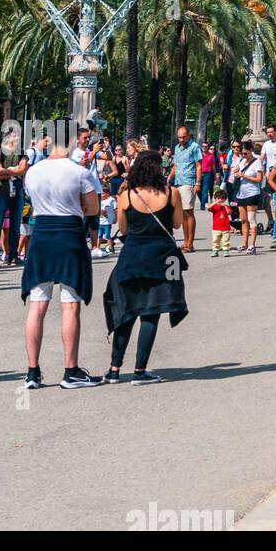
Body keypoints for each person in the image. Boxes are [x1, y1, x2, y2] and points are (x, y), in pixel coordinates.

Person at [103, 149, 188, 384]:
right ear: (159, 169)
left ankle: (114, 369)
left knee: (126, 312)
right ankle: (140, 371)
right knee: (151, 313)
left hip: (132, 257)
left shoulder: (127, 196)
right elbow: (178, 224)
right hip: (162, 258)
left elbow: (124, 227)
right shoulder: (171, 193)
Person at [21, 143, 101, 389]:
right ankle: (70, 370)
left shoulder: (33, 171)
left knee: (37, 305)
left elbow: (31, 201)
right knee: (69, 306)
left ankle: (32, 372)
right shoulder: (79, 172)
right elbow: (93, 208)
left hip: (42, 234)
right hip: (69, 235)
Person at [0, 129, 28, 267]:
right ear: (8, 137)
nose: (18, 137)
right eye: (15, 135)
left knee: (15, 225)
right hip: (1, 191)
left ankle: (13, 255)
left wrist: (8, 171)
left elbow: (23, 170)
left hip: (17, 192)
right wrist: (14, 170)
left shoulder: (22, 152)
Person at [171, 125, 202, 253]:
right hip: (178, 182)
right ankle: (185, 242)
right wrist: (169, 177)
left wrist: (198, 183)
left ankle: (190, 243)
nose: (181, 139)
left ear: (189, 135)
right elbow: (175, 165)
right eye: (179, 137)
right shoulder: (177, 148)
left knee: (189, 212)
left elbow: (198, 166)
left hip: (189, 182)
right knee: (183, 213)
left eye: (184, 137)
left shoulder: (194, 147)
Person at [232, 140, 265, 253]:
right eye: (242, 153)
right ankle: (244, 244)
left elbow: (259, 179)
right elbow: (236, 174)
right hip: (241, 194)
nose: (243, 155)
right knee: (243, 221)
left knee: (251, 219)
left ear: (251, 150)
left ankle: (252, 245)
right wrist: (235, 173)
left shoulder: (257, 162)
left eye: (245, 153)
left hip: (252, 193)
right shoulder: (242, 161)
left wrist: (244, 176)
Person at [209, 187, 232, 257]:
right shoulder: (214, 207)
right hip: (216, 227)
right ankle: (215, 251)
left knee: (226, 240)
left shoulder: (226, 206)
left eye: (222, 199)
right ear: (215, 198)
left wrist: (224, 206)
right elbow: (208, 208)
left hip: (225, 227)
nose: (220, 200)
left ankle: (226, 251)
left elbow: (229, 212)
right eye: (218, 198)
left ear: (225, 199)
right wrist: (215, 202)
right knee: (215, 240)